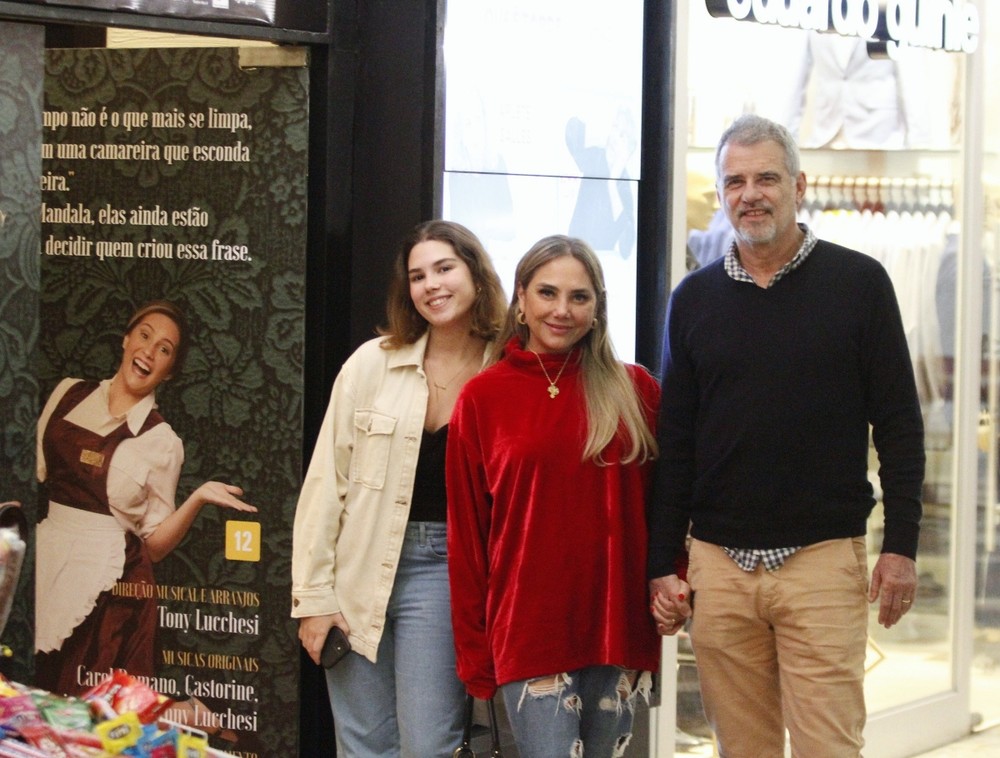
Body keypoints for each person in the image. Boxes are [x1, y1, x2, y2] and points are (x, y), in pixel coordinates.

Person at [647, 114, 926, 757]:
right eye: (735, 181)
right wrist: (664, 560)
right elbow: (678, 439)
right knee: (742, 749)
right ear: (721, 195)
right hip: (720, 569)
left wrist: (903, 544)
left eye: (766, 177)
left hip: (821, 564)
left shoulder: (859, 285)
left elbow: (900, 428)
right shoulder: (693, 299)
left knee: (829, 746)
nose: (751, 194)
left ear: (798, 185)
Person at [447, 234, 672, 757]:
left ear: (597, 309)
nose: (562, 310)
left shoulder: (636, 390)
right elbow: (468, 538)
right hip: (528, 633)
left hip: (617, 627)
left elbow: (668, 507)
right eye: (547, 293)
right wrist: (474, 658)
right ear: (520, 300)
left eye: (579, 297)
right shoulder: (482, 397)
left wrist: (673, 581)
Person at [291, 219, 507, 757]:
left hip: (445, 571)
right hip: (356, 568)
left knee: (429, 745)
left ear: (476, 274)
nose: (431, 284)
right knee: (363, 744)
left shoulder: (506, 371)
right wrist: (314, 598)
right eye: (417, 276)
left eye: (444, 268)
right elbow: (326, 484)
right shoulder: (372, 363)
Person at [34, 299, 257, 697]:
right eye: (144, 335)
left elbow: (153, 545)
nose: (149, 352)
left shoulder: (162, 441)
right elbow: (40, 475)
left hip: (110, 590)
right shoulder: (66, 393)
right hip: (46, 557)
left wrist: (198, 498)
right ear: (125, 339)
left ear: (169, 372)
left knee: (86, 715)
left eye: (165, 349)